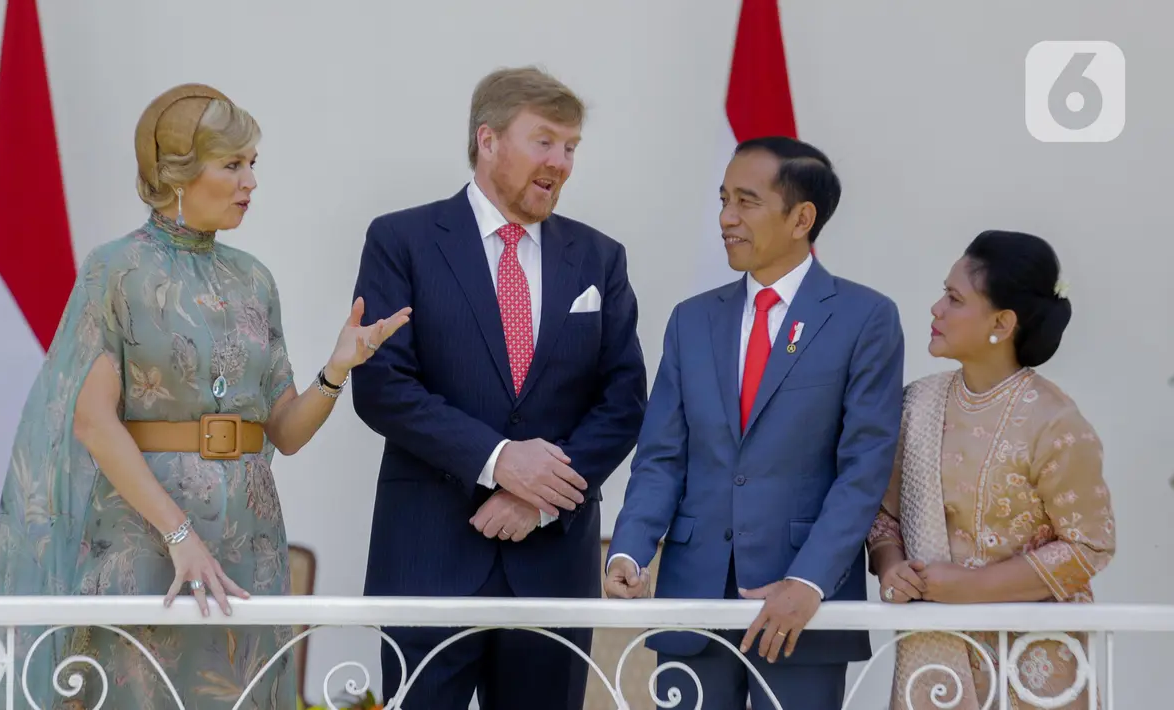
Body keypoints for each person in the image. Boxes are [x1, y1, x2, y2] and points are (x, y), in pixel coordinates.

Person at [0, 83, 410, 710]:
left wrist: (338, 367)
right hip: (144, 536)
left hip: (250, 539)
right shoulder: (117, 270)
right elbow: (92, 422)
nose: (250, 181)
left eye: (253, 165)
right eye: (233, 164)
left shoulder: (254, 279)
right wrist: (179, 533)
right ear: (176, 174)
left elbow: (287, 432)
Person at [350, 66, 648, 710]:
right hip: (427, 557)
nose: (561, 163)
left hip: (553, 561)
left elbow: (623, 401)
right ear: (488, 141)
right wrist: (499, 461)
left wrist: (539, 499)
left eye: (571, 148)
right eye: (544, 142)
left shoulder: (600, 258)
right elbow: (382, 386)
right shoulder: (400, 240)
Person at [604, 136, 905, 710]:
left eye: (746, 201)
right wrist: (629, 552)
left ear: (802, 218)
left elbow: (864, 468)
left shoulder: (865, 318)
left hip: (802, 607)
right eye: (722, 200)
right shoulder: (691, 321)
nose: (726, 219)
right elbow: (661, 456)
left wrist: (811, 581)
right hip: (693, 598)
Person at [867, 230, 1116, 710]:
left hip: (1032, 667)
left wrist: (972, 588)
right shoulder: (917, 404)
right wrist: (891, 565)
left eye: (955, 298)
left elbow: (1090, 544)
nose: (936, 309)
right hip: (933, 667)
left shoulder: (1054, 421)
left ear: (1002, 322)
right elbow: (884, 515)